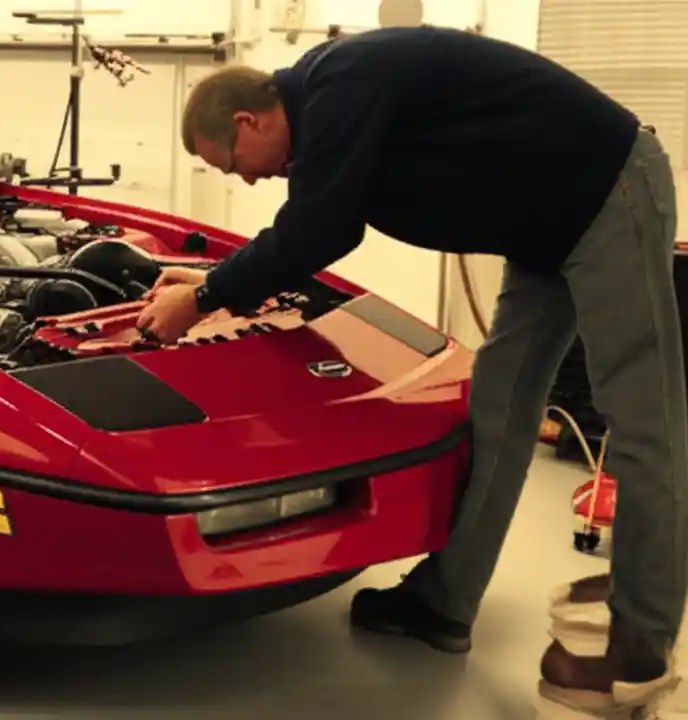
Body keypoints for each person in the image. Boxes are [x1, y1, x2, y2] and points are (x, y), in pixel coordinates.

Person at [136, 24, 688, 712]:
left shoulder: (337, 85)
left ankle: (641, 645)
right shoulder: (328, 113)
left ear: (249, 119)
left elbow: (320, 228)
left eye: (234, 162)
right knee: (498, 410)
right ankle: (444, 604)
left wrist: (208, 297)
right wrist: (214, 280)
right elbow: (317, 220)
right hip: (542, 233)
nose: (245, 178)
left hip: (610, 194)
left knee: (642, 421)